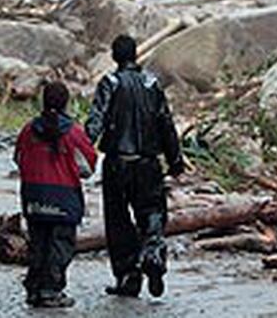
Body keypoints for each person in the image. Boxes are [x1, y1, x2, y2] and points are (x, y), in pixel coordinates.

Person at [85, 34, 184, 299]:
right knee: (152, 213)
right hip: (149, 163)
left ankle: (128, 274)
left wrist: (80, 149)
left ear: (115, 56)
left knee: (117, 220)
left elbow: (97, 119)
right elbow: (166, 122)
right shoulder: (152, 84)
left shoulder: (110, 82)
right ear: (136, 54)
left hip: (118, 162)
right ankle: (153, 253)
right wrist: (175, 159)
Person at [14, 81, 98, 308]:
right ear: (66, 103)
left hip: (33, 194)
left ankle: (34, 289)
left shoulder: (28, 129)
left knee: (38, 243)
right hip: (63, 196)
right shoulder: (73, 133)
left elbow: (18, 159)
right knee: (60, 245)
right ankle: (51, 291)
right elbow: (88, 168)